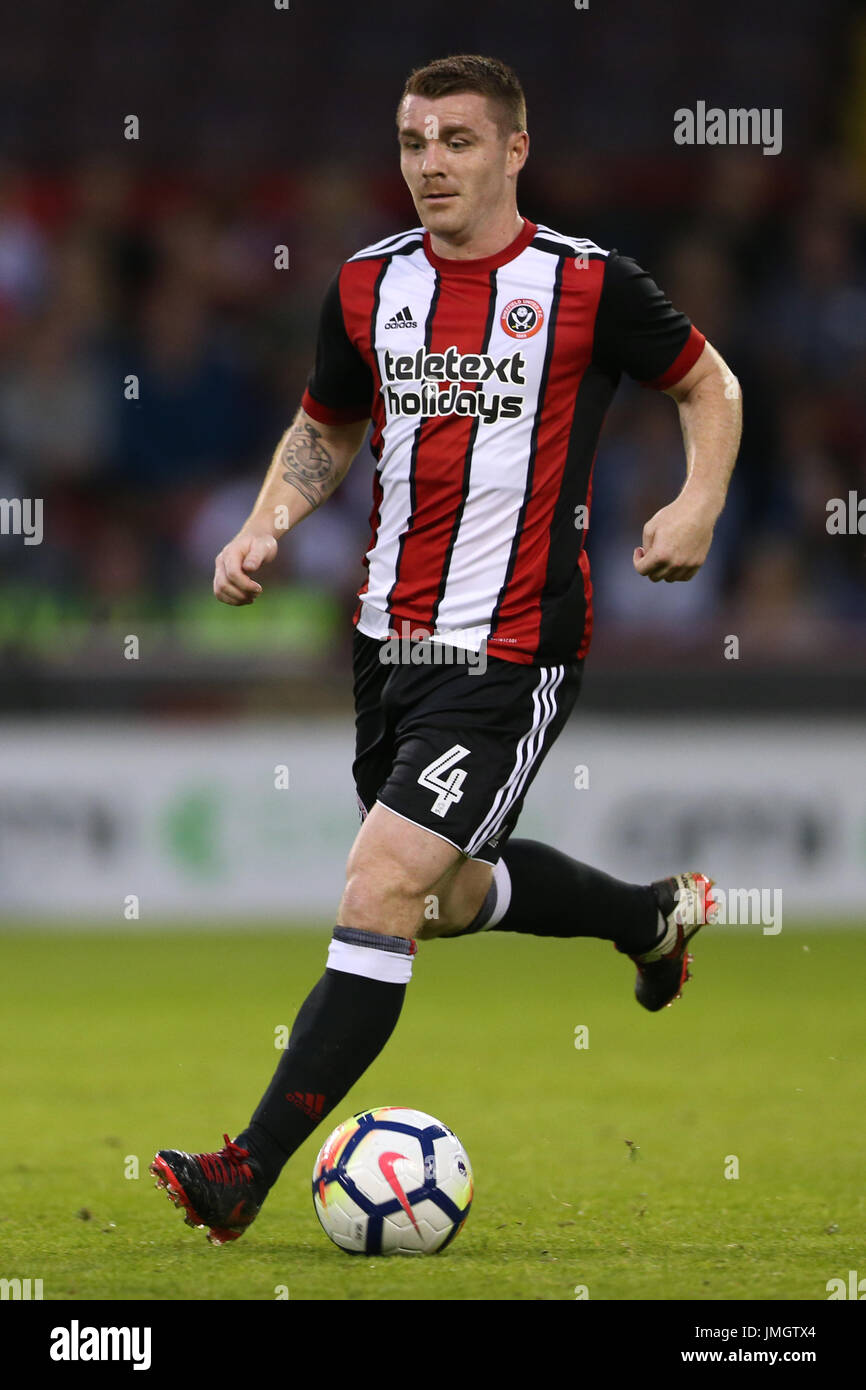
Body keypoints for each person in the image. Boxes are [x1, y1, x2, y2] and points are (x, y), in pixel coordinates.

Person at [151, 54, 741, 1245]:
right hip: (386, 644)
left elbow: (708, 386)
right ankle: (646, 917)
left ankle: (244, 1171)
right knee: (449, 893)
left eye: (457, 141)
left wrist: (696, 505)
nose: (430, 163)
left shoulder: (584, 285)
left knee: (379, 887)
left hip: (513, 647)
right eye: (414, 142)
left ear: (512, 151)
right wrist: (267, 521)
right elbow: (325, 425)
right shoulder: (367, 285)